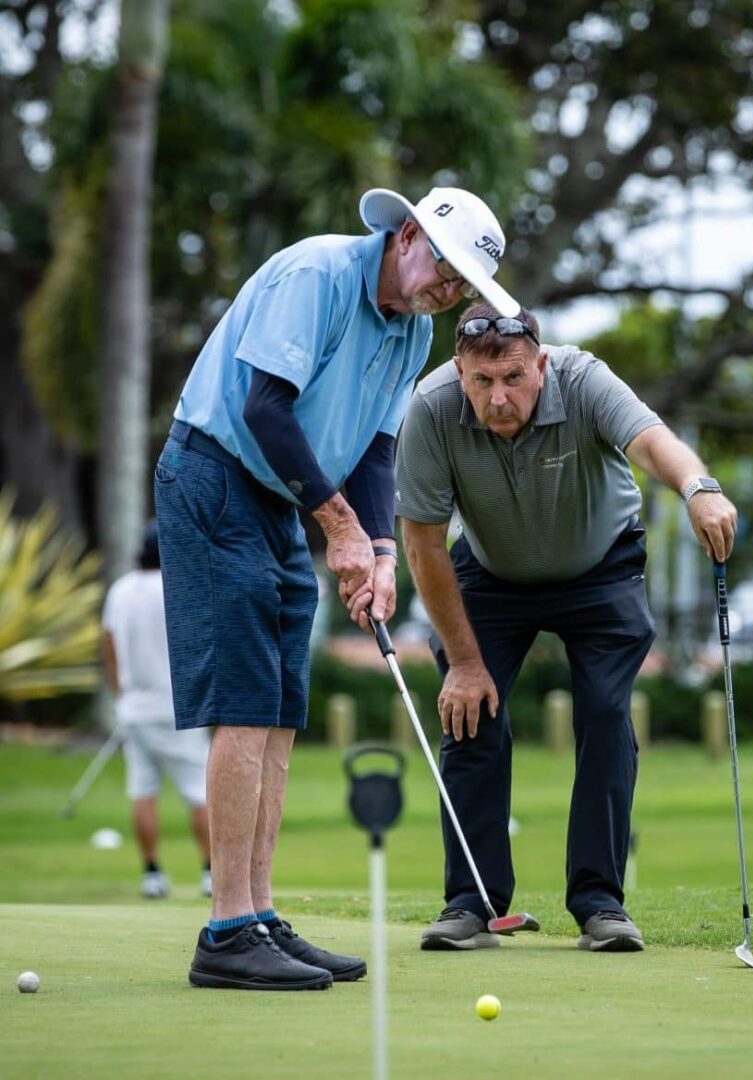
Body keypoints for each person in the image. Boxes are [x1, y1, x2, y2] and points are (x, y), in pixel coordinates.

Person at [153, 185, 519, 990]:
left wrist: (381, 550)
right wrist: (339, 527)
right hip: (213, 477)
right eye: (446, 268)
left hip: (278, 497)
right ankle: (226, 930)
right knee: (246, 703)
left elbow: (376, 451)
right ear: (408, 235)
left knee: (283, 707)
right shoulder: (316, 274)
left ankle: (257, 915)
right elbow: (265, 409)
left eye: (463, 283)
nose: (448, 290)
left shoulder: (413, 329)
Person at [395, 302, 737, 952]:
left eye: (513, 378)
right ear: (461, 373)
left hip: (600, 565)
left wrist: (698, 488)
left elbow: (649, 440)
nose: (498, 398)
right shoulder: (431, 408)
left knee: (605, 713)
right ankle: (471, 903)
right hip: (490, 572)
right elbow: (424, 544)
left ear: (541, 366)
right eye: (482, 381)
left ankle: (600, 902)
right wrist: (464, 664)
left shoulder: (583, 380)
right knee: (470, 715)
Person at [101, 521, 212, 900]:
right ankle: (211, 872)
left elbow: (109, 648)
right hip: (180, 709)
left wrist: (121, 697)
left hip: (134, 711)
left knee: (142, 791)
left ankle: (151, 873)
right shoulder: (180, 587)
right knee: (200, 793)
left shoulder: (120, 590)